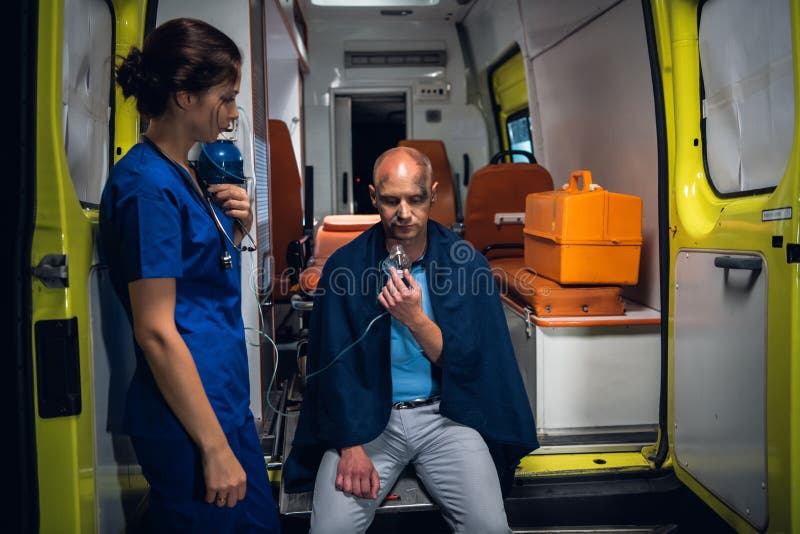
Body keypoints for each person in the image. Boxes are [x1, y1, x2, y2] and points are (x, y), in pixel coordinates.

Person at [283, 147, 539, 533]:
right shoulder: (345, 267)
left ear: (433, 195)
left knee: (489, 526)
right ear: (373, 198)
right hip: (367, 423)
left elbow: (466, 363)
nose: (404, 212)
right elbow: (331, 367)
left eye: (415, 199)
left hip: (445, 419)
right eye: (391, 200)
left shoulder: (466, 263)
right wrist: (350, 447)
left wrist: (414, 318)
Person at [99, 18, 279, 533]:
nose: (234, 112)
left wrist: (239, 228)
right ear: (184, 96)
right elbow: (155, 330)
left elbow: (202, 272)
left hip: (220, 401)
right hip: (189, 424)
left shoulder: (187, 173)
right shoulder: (146, 187)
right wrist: (215, 448)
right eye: (227, 97)